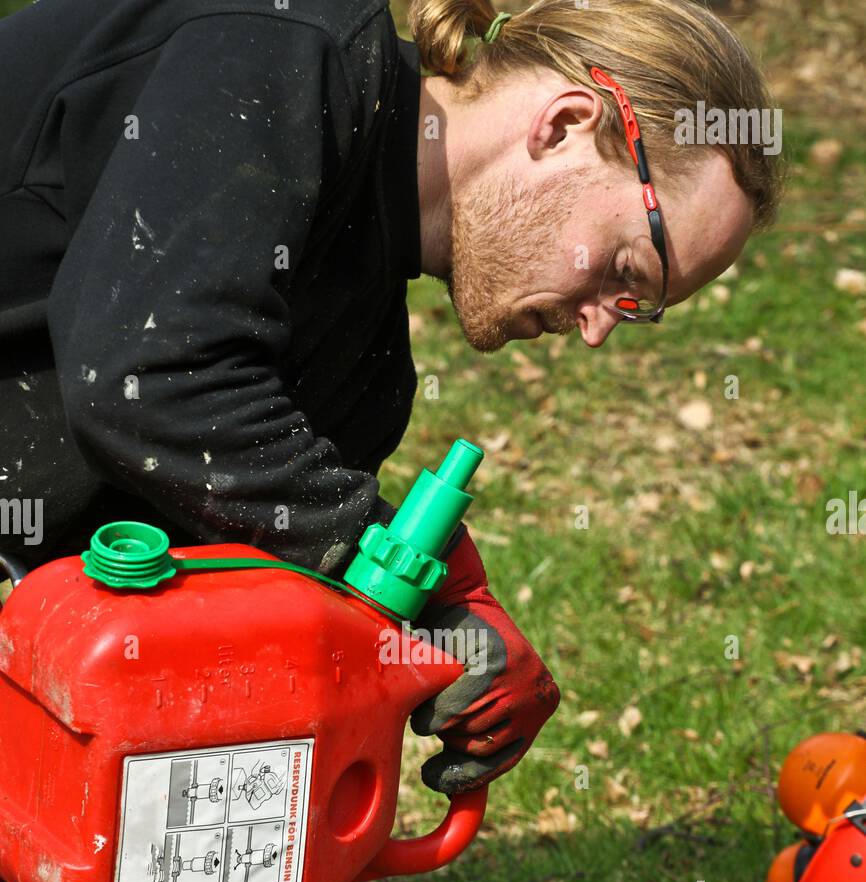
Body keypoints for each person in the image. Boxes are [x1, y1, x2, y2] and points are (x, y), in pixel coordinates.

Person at [0, 0, 781, 795]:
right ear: (567, 124)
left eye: (635, 310)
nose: (595, 331)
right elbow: (150, 378)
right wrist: (428, 576)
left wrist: (407, 631)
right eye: (625, 272)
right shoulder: (284, 42)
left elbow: (166, 610)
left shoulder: (362, 382)